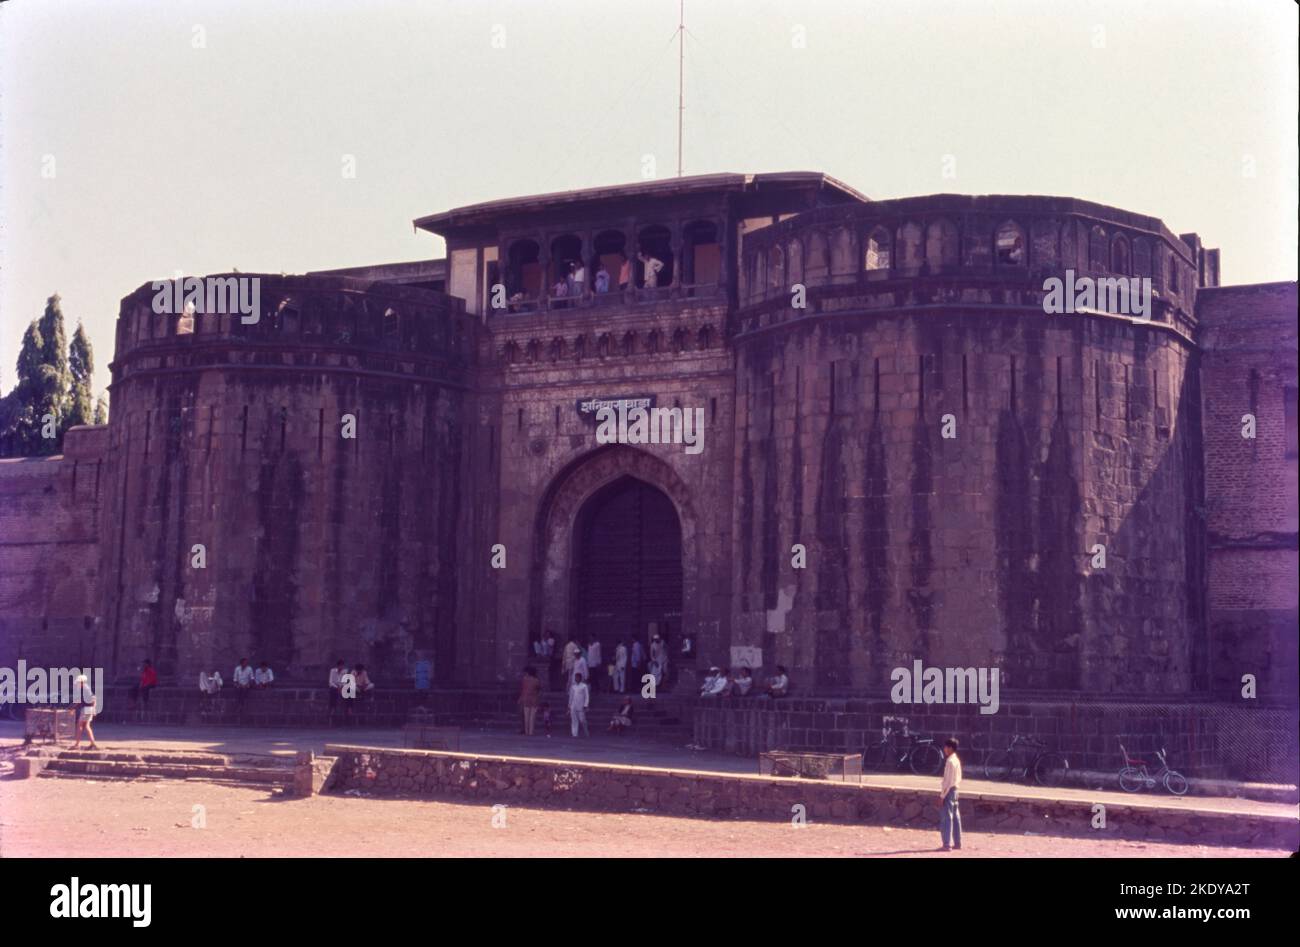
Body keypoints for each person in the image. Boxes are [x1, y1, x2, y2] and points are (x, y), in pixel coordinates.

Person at [939, 738, 963, 852]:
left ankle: (947, 844)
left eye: (946, 747)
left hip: (949, 791)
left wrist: (942, 796)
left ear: (950, 748)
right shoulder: (956, 760)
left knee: (947, 818)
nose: (944, 749)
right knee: (956, 817)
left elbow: (947, 781)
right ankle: (957, 843)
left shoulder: (950, 761)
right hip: (955, 790)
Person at [71, 674, 98, 749]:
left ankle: (77, 744)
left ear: (82, 682)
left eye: (79, 682)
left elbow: (92, 699)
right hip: (88, 709)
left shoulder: (84, 689)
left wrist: (72, 708)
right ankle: (92, 743)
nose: (78, 684)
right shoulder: (86, 688)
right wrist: (94, 708)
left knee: (80, 726)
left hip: (86, 709)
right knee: (86, 726)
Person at [518, 666, 542, 736]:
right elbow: (538, 689)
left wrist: (521, 698)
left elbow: (523, 690)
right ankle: (531, 732)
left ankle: (526, 731)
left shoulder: (524, 679)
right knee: (532, 717)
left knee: (526, 716)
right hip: (534, 699)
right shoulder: (536, 680)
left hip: (526, 699)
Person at [568, 673, 590, 738]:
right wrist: (569, 705)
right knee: (574, 720)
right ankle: (574, 734)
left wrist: (586, 705)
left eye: (577, 677)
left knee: (582, 720)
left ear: (580, 678)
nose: (576, 679)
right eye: (575, 677)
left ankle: (586, 731)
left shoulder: (584, 686)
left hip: (581, 705)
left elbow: (587, 696)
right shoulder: (573, 686)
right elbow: (571, 697)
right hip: (573, 705)